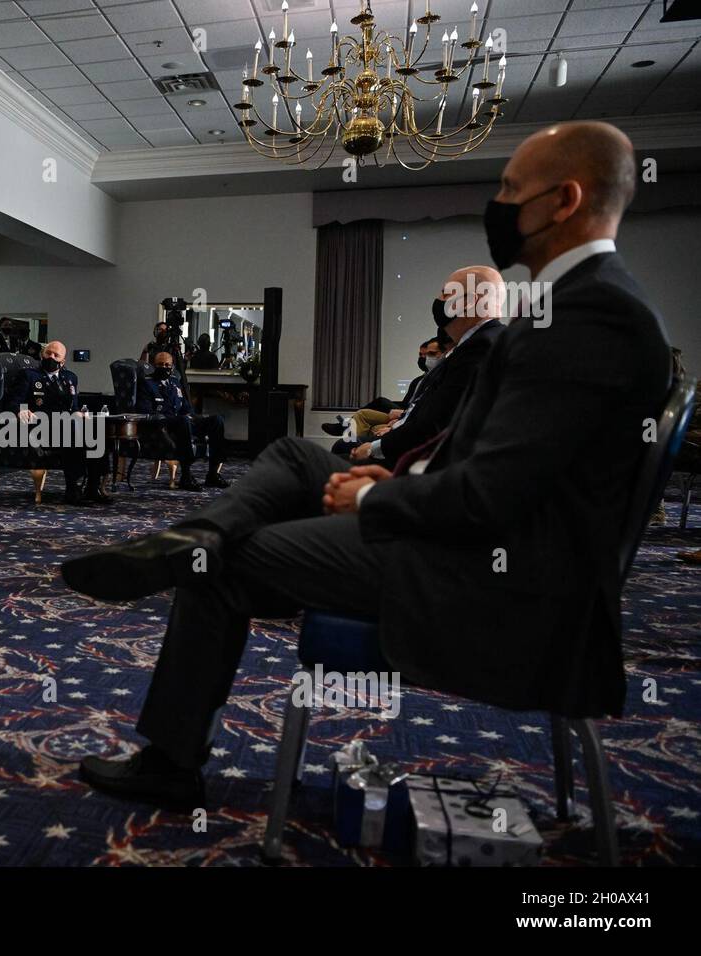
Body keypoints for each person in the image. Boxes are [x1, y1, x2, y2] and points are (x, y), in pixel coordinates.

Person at [61, 121, 670, 810]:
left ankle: (172, 747)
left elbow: (495, 497)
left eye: (509, 188)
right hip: (474, 545)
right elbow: (504, 466)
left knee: (223, 563)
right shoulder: (582, 303)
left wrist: (375, 502)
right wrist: (396, 479)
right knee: (290, 458)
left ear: (564, 199)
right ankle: (194, 536)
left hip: (496, 582)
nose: (497, 203)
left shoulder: (591, 315)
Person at [347, 267, 506, 464]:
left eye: (445, 293)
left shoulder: (480, 348)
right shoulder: (478, 343)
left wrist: (373, 449)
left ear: (467, 302)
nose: (438, 300)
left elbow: (435, 423)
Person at [3, 340, 111, 506]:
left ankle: (93, 487)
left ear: (63, 361)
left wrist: (79, 414)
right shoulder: (29, 375)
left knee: (97, 430)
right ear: (42, 354)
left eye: (56, 355)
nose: (51, 357)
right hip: (39, 426)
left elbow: (73, 407)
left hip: (65, 424)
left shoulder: (70, 378)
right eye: (48, 353)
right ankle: (72, 490)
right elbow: (11, 402)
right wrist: (20, 410)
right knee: (74, 431)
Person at [137, 352, 229, 491]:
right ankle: (186, 476)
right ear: (154, 366)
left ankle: (213, 474)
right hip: (165, 425)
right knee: (183, 421)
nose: (164, 367)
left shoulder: (174, 382)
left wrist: (192, 417)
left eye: (167, 365)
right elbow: (146, 411)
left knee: (217, 420)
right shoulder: (147, 383)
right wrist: (180, 418)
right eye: (160, 364)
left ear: (172, 366)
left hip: (183, 421)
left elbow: (185, 407)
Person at [322, 337, 445, 437]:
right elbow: (406, 402)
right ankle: (349, 430)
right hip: (405, 409)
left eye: (429, 355)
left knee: (381, 402)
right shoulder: (417, 380)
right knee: (366, 412)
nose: (424, 359)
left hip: (411, 414)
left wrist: (402, 415)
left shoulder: (436, 379)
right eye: (421, 355)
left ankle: (345, 427)